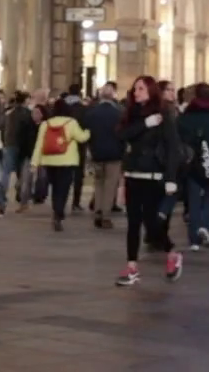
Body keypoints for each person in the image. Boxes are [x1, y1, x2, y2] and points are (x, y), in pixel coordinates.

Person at [117, 76, 184, 286]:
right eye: (135, 88)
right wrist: (144, 124)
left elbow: (173, 147)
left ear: (151, 91)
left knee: (153, 224)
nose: (136, 92)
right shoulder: (131, 114)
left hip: (153, 176)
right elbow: (122, 135)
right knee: (133, 223)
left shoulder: (164, 115)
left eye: (141, 89)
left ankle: (172, 253)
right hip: (133, 174)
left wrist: (171, 178)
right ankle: (131, 267)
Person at [178, 82, 209, 249]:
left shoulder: (187, 115)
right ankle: (205, 227)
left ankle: (193, 238)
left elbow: (180, 135)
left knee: (193, 197)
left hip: (192, 158)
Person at [31, 96, 91, 231]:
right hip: (67, 161)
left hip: (50, 161)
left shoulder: (45, 124)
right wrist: (88, 132)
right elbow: (81, 138)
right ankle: (59, 212)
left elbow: (39, 144)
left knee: (55, 188)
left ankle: (56, 211)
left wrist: (35, 163)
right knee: (63, 189)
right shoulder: (71, 122)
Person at [80, 83, 125, 227]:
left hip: (97, 153)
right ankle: (106, 215)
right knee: (110, 185)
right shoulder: (119, 113)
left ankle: (98, 210)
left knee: (98, 183)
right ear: (113, 96)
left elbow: (86, 132)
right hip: (114, 154)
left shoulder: (91, 113)